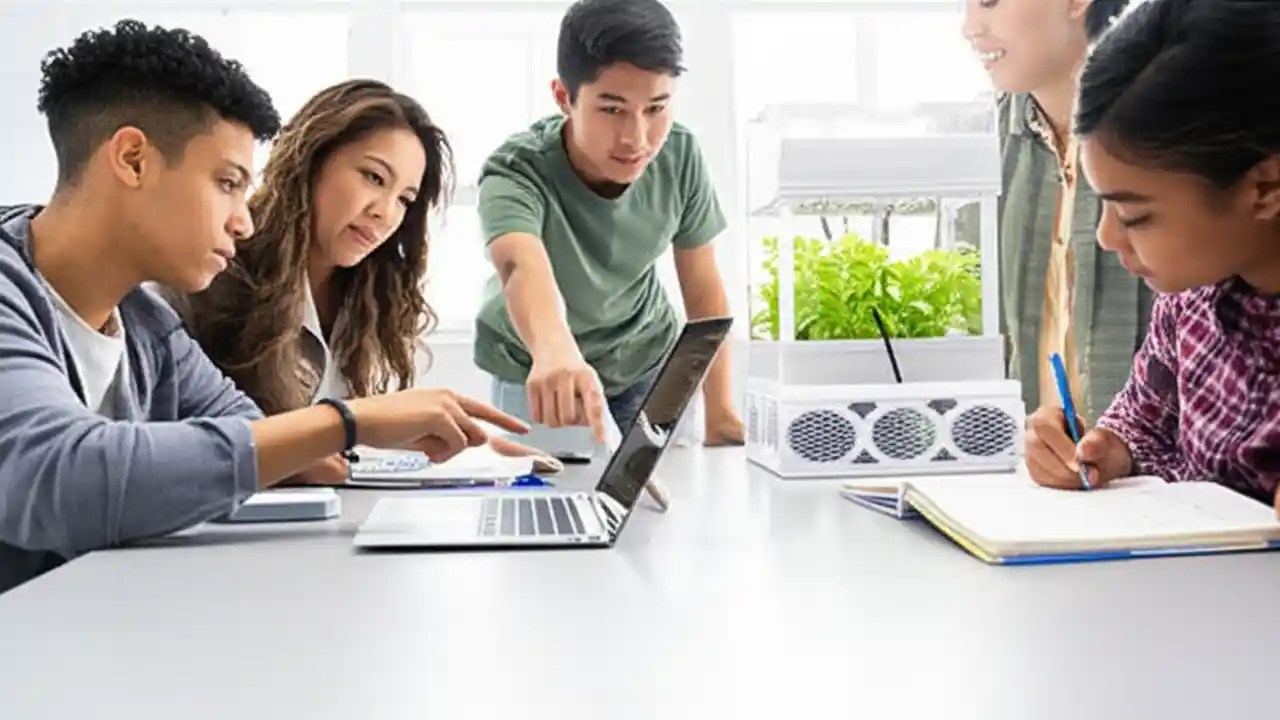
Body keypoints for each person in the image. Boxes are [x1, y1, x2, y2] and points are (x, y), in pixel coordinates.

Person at [0, 21, 525, 593]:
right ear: (131, 160)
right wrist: (349, 420)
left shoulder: (148, 327)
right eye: (227, 183)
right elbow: (55, 477)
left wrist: (369, 440)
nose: (243, 219)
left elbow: (254, 433)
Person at [173, 80, 548, 482]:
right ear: (312, 160)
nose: (384, 212)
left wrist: (458, 449)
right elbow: (206, 445)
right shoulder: (212, 269)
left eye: (405, 199)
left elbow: (339, 435)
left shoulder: (363, 295)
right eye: (373, 177)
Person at [1023, 0, 1280, 516]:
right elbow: (1141, 428)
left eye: (1135, 216)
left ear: (1264, 186)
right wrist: (1101, 452)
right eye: (1104, 204)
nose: (1105, 237)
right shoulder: (1192, 301)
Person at [474, 0, 743, 458]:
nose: (637, 139)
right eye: (613, 109)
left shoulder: (680, 155)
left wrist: (719, 409)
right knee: (553, 512)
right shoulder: (517, 170)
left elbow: (703, 288)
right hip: (542, 370)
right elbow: (521, 266)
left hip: (646, 361)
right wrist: (556, 351)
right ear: (564, 98)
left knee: (664, 515)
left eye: (656, 108)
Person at [961, 0, 1152, 421]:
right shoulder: (978, 155)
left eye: (990, 2)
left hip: (1159, 477)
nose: (970, 27)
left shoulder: (1166, 132)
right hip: (1025, 478)